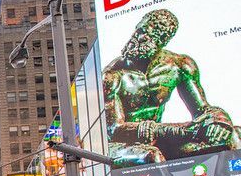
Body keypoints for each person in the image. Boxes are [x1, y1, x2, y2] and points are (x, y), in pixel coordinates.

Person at [103, 9, 241, 167]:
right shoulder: (111, 75)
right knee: (150, 155)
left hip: (160, 140)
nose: (136, 37)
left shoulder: (179, 66)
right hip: (123, 145)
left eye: (144, 34)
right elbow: (115, 130)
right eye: (138, 30)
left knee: (233, 134)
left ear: (161, 40)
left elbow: (202, 109)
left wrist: (220, 121)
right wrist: (182, 131)